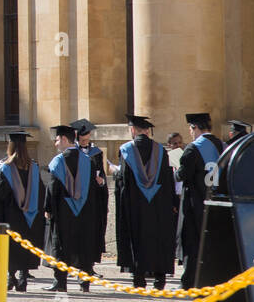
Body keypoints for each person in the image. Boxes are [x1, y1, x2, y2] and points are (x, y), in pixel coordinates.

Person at [115, 114, 176, 289]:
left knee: (137, 237)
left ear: (133, 130)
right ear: (147, 131)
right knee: (158, 238)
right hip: (158, 204)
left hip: (135, 204)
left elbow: (123, 180)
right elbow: (168, 179)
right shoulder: (160, 150)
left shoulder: (126, 150)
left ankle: (139, 278)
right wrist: (171, 202)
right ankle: (160, 279)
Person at [44, 123, 102, 292]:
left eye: (56, 140)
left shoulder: (57, 162)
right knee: (83, 244)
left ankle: (60, 282)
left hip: (63, 212)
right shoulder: (88, 161)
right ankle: (84, 283)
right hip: (85, 211)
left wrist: (48, 208)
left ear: (63, 139)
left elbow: (52, 188)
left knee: (61, 245)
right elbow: (91, 190)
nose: (56, 144)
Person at [0, 130, 46, 292]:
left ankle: (11, 277)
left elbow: (0, 194)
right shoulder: (34, 167)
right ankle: (23, 278)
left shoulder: (5, 168)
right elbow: (41, 192)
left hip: (11, 215)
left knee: (10, 247)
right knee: (26, 245)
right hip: (30, 216)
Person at [176, 113, 224, 290]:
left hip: (194, 202)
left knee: (191, 242)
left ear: (195, 127)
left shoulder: (192, 149)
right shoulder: (222, 145)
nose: (190, 132)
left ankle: (188, 282)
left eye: (190, 128)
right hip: (216, 200)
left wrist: (175, 172)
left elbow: (183, 174)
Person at [72, 119, 109, 259]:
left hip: (93, 198)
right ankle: (75, 263)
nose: (85, 142)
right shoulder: (71, 153)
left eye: (87, 140)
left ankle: (89, 264)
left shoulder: (96, 153)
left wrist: (101, 182)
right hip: (77, 197)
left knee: (91, 232)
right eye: (82, 140)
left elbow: (102, 174)